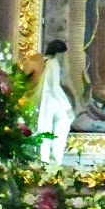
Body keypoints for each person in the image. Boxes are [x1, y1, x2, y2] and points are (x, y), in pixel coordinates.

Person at [31, 39, 75, 167]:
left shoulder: (43, 62)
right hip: (52, 101)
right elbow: (55, 87)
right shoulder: (53, 62)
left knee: (45, 133)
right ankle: (55, 163)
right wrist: (68, 108)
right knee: (58, 131)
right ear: (59, 53)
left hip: (45, 102)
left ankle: (45, 162)